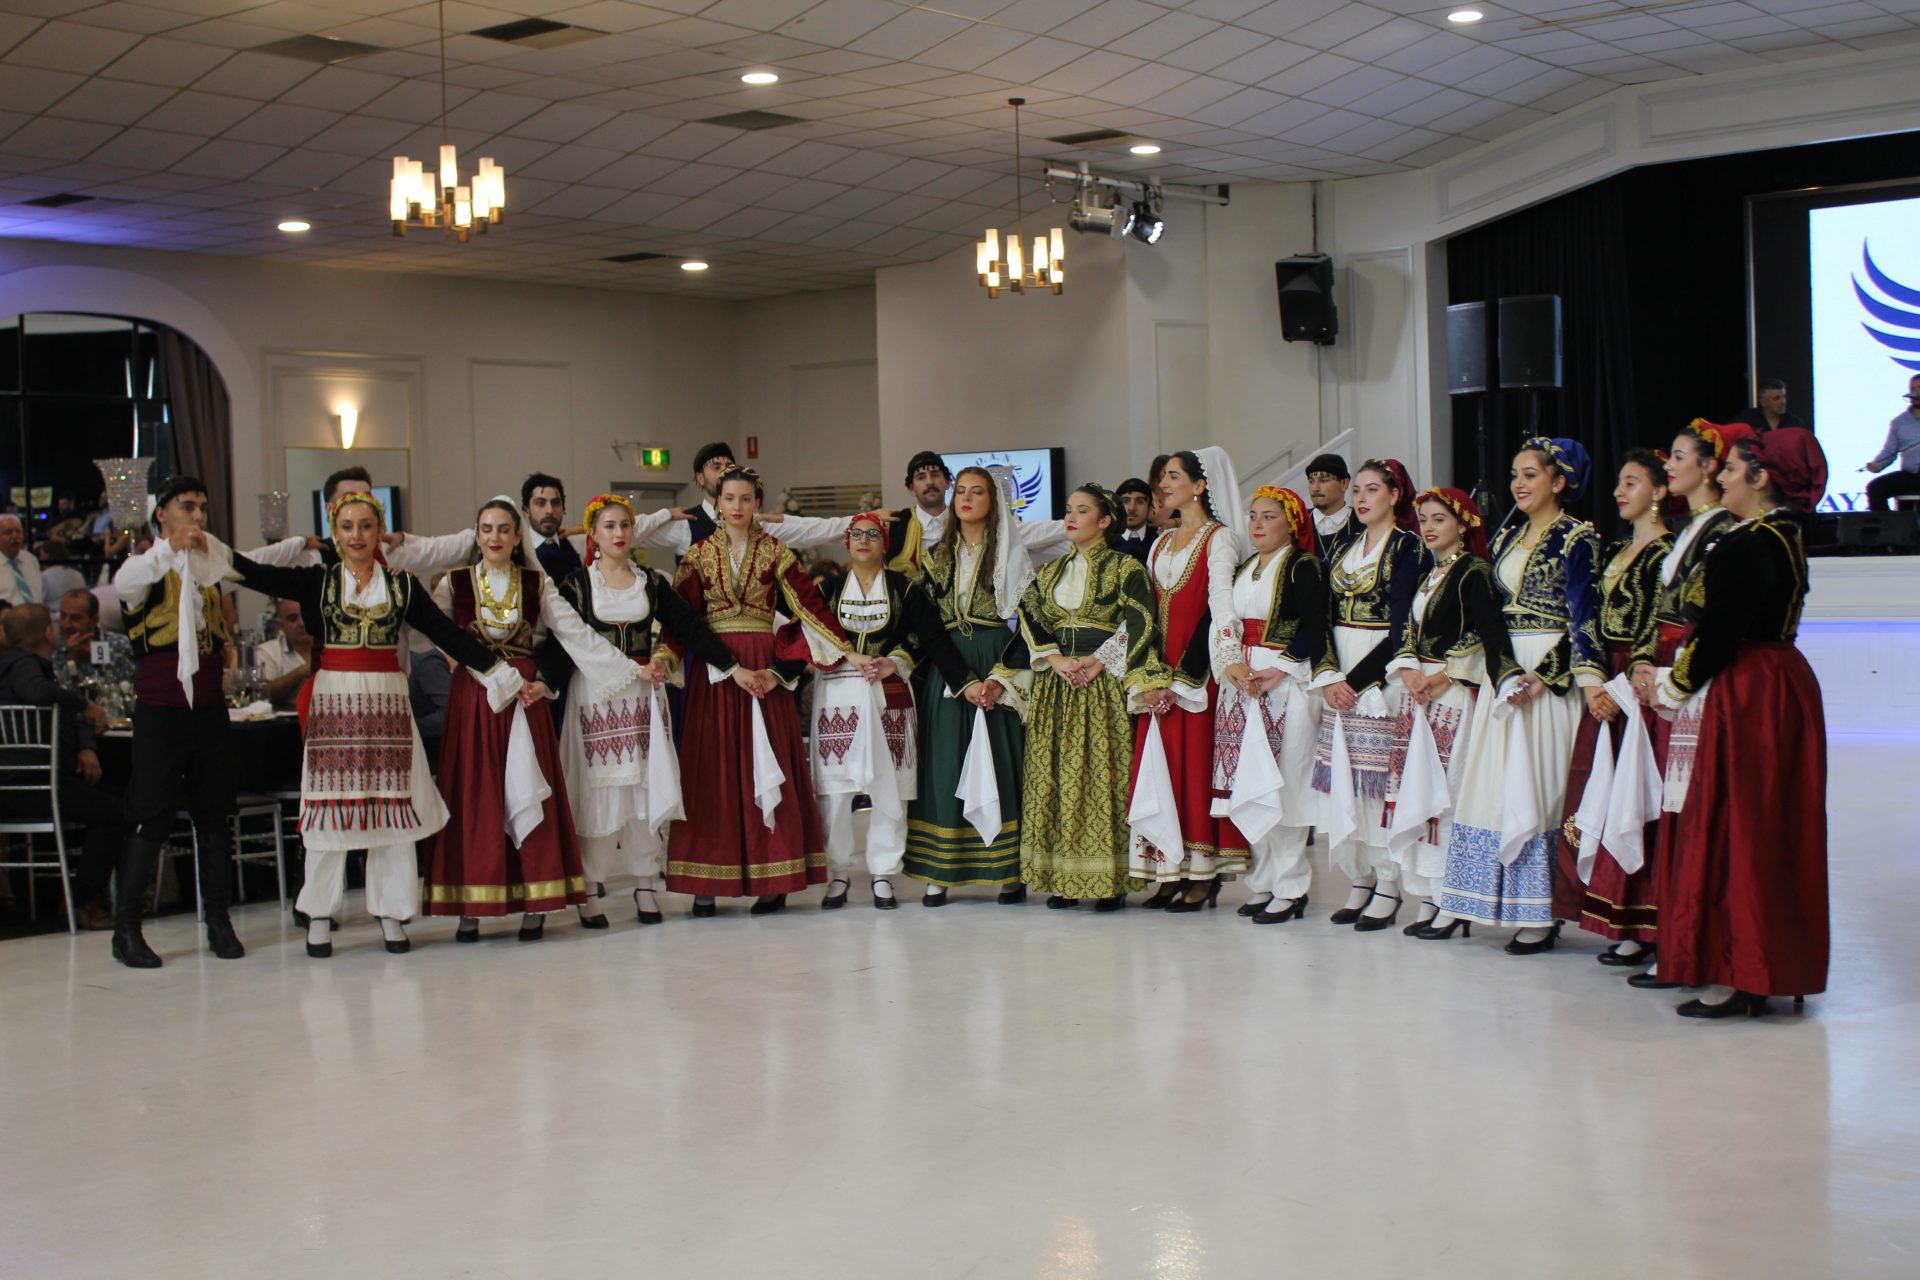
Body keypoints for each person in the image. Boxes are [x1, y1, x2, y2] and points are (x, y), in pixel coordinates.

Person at [219, 490, 525, 958]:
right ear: (335, 531)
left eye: (366, 525)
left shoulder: (402, 586)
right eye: (347, 526)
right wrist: (206, 548)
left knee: (391, 808)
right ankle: (319, 913)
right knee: (329, 804)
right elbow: (256, 573)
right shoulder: (317, 581)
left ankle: (391, 912)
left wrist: (501, 673)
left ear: (379, 530)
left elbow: (448, 636)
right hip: (336, 702)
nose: (357, 535)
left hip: (387, 703)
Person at [1650, 434, 1828, 1018]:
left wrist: (1673, 687)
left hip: (1746, 692)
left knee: (1733, 822)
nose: (1720, 478)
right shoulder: (1784, 537)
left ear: (1760, 478)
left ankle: (1737, 968)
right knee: (1772, 823)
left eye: (1729, 469)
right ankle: (1768, 961)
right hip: (1779, 685)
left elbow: (1721, 633)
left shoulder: (1749, 543)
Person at [422, 497, 648, 939]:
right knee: (476, 794)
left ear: (517, 535)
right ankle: (473, 902)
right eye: (487, 529)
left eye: (504, 529)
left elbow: (573, 632)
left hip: (525, 698)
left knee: (532, 794)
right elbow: (430, 630)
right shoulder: (455, 583)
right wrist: (457, 660)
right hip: (476, 699)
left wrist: (619, 669)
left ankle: (536, 901)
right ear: (476, 534)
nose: (495, 538)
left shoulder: (535, 584)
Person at [1430, 438, 1603, 954]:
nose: (1519, 484)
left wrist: (1546, 675)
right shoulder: (1506, 534)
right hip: (1503, 671)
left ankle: (1544, 909)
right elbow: (1492, 611)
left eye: (1530, 474)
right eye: (1514, 475)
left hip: (1546, 679)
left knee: (1542, 784)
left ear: (1560, 480)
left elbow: (1583, 619)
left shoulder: (1577, 539)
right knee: (1493, 782)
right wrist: (1470, 662)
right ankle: (1484, 898)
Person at [665, 467, 854, 916]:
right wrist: (663, 658)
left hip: (763, 672)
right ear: (717, 503)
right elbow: (682, 621)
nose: (735, 506)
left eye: (745, 499)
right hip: (715, 673)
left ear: (756, 504)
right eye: (728, 498)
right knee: (711, 771)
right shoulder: (696, 556)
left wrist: (846, 651)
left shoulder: (777, 553)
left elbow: (811, 609)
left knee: (767, 767)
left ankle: (776, 876)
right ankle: (706, 879)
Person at [544, 494, 737, 925]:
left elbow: (687, 627)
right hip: (595, 697)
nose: (617, 534)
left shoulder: (651, 581)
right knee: (600, 789)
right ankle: (592, 886)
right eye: (608, 526)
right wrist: (542, 682)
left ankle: (645, 882)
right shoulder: (576, 584)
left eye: (624, 526)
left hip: (644, 694)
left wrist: (728, 664)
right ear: (592, 534)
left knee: (644, 789)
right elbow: (562, 645)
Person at [107, 476, 244, 968]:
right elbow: (123, 584)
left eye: (203, 507)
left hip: (207, 707)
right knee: (150, 817)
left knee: (214, 816)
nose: (199, 516)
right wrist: (167, 549)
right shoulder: (141, 567)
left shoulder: (209, 566)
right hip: (161, 709)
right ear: (162, 513)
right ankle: (126, 930)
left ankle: (218, 923)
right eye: (188, 506)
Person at [810, 511, 975, 910]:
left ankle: (884, 872)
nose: (863, 540)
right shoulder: (828, 590)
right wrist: (846, 654)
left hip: (891, 693)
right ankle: (838, 873)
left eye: (873, 535)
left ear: (885, 544)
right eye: (856, 534)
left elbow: (925, 638)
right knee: (835, 791)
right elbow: (810, 632)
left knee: (891, 789)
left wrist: (895, 660)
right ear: (846, 542)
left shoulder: (906, 588)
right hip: (838, 696)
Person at [1018, 484, 1168, 910]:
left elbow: (1141, 621)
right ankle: (1065, 877)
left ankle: (1110, 879)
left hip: (1099, 685)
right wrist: (1055, 658)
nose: (1070, 517)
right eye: (1068, 510)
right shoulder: (1048, 572)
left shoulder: (1125, 569)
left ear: (1104, 521)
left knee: (1102, 774)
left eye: (1081, 511)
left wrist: (1100, 661)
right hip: (1058, 683)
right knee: (1057, 775)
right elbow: (1031, 616)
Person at [1551, 451, 1672, 948]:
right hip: (1605, 679)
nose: (1620, 492)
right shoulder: (1617, 550)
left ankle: (1645, 918)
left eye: (1632, 482)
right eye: (1618, 483)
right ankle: (1611, 913)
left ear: (1660, 492)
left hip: (1637, 684)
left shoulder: (1666, 554)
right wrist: (1593, 678)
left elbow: (1655, 627)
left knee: (1636, 793)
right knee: (1595, 789)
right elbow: (1590, 618)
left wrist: (1623, 689)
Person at [902, 467, 1036, 905]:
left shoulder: (1012, 557)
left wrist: (999, 679)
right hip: (952, 671)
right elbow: (927, 627)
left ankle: (1007, 871)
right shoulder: (937, 558)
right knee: (945, 766)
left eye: (977, 492)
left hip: (998, 665)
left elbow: (1031, 625)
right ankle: (941, 868)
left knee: (1002, 764)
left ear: (992, 502)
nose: (965, 498)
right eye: (960, 490)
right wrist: (963, 680)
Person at [1310, 458, 1430, 930]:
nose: (1361, 498)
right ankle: (1358, 875)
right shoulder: (1344, 544)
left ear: (1395, 495)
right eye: (1357, 490)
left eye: (1372, 489)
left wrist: (1354, 681)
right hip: (1338, 666)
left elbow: (1403, 626)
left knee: (1377, 784)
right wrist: (1325, 672)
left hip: (1378, 674)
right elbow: (1320, 613)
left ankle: (1389, 882)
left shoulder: (1409, 549)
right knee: (1345, 777)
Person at [1131, 448, 1250, 909]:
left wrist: (1197, 672)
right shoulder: (1159, 544)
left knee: (1194, 769)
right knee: (1160, 768)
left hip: (1197, 676)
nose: (1162, 484)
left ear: (1200, 485)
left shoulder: (1220, 540)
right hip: (1157, 675)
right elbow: (1142, 613)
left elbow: (1221, 606)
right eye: (1162, 477)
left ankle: (1203, 872)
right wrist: (1146, 674)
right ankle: (1169, 866)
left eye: (1173, 476)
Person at [1392, 488, 1513, 938]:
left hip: (1453, 696)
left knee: (1449, 793)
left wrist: (1444, 677)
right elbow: (1407, 628)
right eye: (1423, 518)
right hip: (1419, 694)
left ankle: (1452, 898)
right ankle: (1429, 893)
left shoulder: (1473, 572)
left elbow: (1488, 634)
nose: (1428, 527)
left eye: (1439, 519)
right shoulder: (1431, 573)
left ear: (1463, 525)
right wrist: (1407, 670)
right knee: (1420, 793)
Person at [1213, 487, 1327, 925]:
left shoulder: (1304, 566)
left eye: (1269, 517)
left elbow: (1316, 625)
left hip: (1283, 681)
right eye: (1253, 516)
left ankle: (1293, 886)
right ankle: (1263, 880)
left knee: (1285, 782)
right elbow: (1227, 624)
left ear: (1292, 523)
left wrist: (1281, 666)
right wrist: (1230, 665)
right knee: (1249, 781)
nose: (1257, 525)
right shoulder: (1245, 568)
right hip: (1243, 680)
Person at [0, 604, 123, 931]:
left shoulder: (18, 664)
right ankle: (80, 900)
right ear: (47, 633)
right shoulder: (26, 667)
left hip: (24, 781)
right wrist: (85, 704)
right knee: (114, 812)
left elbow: (61, 707)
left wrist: (85, 745)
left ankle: (79, 898)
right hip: (33, 783)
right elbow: (39, 693)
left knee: (110, 795)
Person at [54, 588, 135, 692]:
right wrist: (72, 660)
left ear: (94, 620)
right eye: (63, 616)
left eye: (76, 618)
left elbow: (122, 688)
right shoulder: (55, 647)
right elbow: (58, 693)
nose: (66, 624)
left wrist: (97, 660)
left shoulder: (119, 644)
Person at [1864, 373, 1920, 512]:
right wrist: (1877, 464)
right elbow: (1889, 452)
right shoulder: (1899, 422)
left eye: (1919, 388)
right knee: (1875, 488)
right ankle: (1888, 528)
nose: (1916, 392)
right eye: (1913, 388)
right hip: (1910, 475)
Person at [523, 472, 581, 581]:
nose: (549, 511)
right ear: (526, 510)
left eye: (556, 503)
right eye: (540, 503)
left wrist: (588, 529)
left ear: (564, 508)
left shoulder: (577, 544)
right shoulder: (517, 549)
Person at [257, 597, 312, 710]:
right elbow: (264, 694)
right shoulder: (267, 651)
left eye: (306, 616)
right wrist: (301, 672)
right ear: (281, 626)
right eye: (293, 618)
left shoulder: (329, 648)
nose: (301, 623)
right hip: (284, 724)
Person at [1304, 453, 1361, 556]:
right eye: (1311, 481)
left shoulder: (1362, 523)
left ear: (1344, 483)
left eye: (1324, 480)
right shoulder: (1299, 523)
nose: (1315, 488)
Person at [1730, 378, 1808, 435]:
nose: (1783, 402)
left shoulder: (1795, 424)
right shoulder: (1746, 420)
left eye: (1784, 397)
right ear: (1763, 402)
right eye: (1776, 398)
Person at [0, 514, 43, 606]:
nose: (15, 536)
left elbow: (39, 595)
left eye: (18, 532)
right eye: (8, 532)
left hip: (36, 617)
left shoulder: (31, 559)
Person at [1113, 476, 1155, 564]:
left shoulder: (1160, 541)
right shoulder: (1105, 541)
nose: (1132, 508)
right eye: (1125, 501)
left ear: (1150, 507)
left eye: (1140, 502)